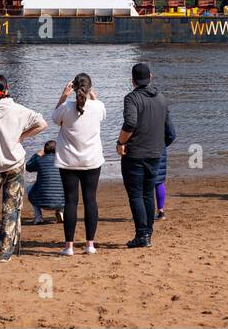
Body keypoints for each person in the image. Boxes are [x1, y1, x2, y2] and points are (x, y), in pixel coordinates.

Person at [0, 75, 46, 262]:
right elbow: (42, 124)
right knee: (10, 208)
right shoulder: (17, 109)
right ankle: (4, 252)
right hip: (14, 163)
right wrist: (22, 136)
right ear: (7, 88)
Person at [116, 63, 175, 248]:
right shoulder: (162, 99)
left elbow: (130, 123)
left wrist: (120, 143)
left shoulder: (131, 98)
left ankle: (142, 235)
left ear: (132, 80)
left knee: (135, 195)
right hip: (155, 154)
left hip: (134, 155)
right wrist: (158, 145)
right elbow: (171, 133)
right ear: (151, 76)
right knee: (148, 194)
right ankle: (147, 233)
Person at [52, 73, 105, 256]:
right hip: (92, 160)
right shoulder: (98, 106)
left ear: (73, 87)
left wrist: (64, 96)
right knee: (90, 200)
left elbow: (54, 119)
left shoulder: (66, 107)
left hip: (68, 161)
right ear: (89, 88)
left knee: (71, 201)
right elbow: (101, 114)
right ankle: (90, 244)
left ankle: (69, 246)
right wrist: (93, 95)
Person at [25, 140, 65, 226]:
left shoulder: (40, 160)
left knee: (28, 187)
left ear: (44, 150)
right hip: (61, 201)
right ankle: (61, 211)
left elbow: (28, 167)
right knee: (64, 186)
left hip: (41, 201)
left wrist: (37, 154)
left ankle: (38, 216)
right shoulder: (62, 161)